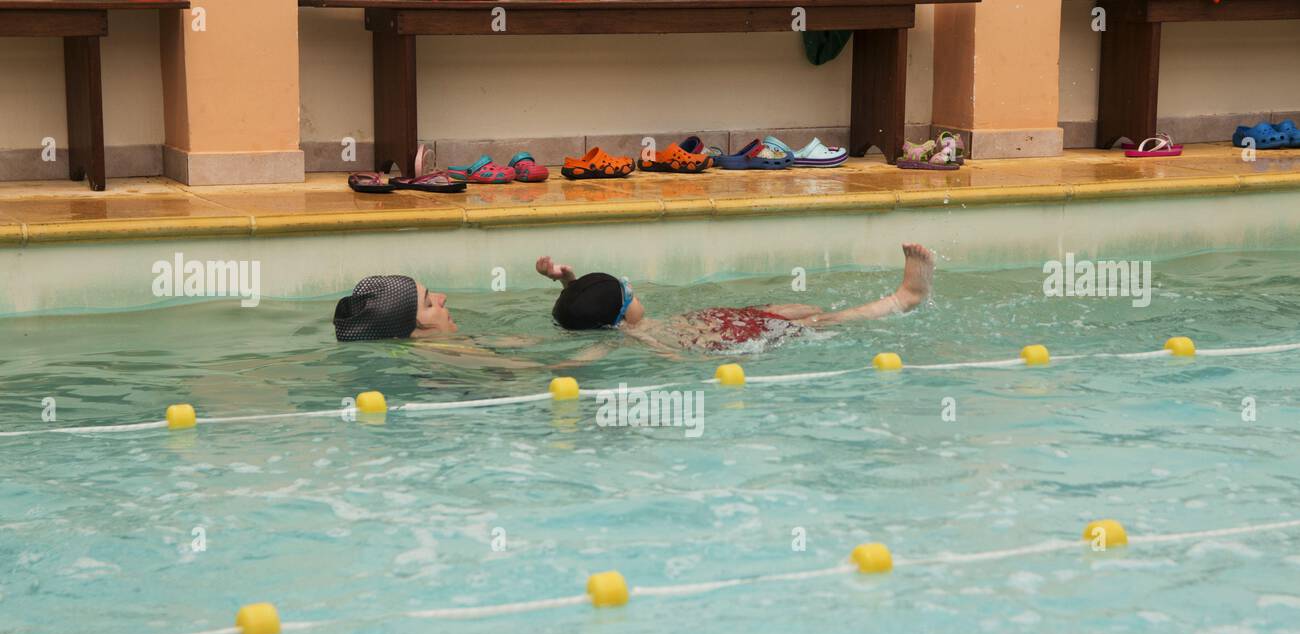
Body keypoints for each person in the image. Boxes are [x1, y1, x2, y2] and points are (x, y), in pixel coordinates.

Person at [537, 243, 935, 357]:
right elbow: (672, 358)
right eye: (631, 294)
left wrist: (566, 281)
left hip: (724, 320)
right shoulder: (635, 334)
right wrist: (657, 347)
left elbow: (587, 314)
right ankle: (905, 298)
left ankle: (900, 299)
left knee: (802, 309)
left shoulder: (617, 322)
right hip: (730, 338)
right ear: (622, 317)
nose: (636, 294)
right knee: (819, 321)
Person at [332, 274, 537, 369]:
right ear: (414, 333)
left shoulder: (419, 353)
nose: (443, 297)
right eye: (429, 304)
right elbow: (537, 371)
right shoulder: (448, 354)